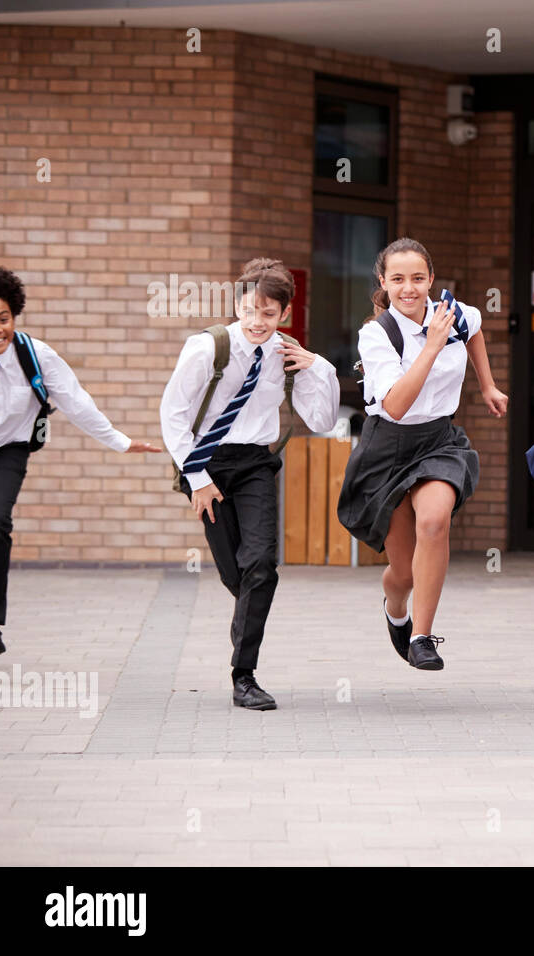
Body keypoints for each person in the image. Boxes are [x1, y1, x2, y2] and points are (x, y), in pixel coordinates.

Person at [161, 258, 339, 709]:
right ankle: (250, 614)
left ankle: (244, 676)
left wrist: (318, 368)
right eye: (248, 310)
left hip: (256, 464)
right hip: (207, 463)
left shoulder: (288, 355)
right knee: (236, 575)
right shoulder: (207, 349)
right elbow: (174, 416)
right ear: (236, 305)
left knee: (261, 564)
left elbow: (320, 419)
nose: (257, 322)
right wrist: (197, 480)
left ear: (284, 313)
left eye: (268, 313)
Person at [337, 238, 507, 672]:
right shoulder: (377, 335)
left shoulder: (456, 313)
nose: (408, 288)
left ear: (431, 279)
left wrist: (486, 384)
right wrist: (431, 346)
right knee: (404, 572)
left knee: (435, 520)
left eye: (417, 278)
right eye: (397, 279)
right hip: (388, 447)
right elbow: (394, 405)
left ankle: (423, 636)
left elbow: (474, 334)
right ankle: (396, 608)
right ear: (383, 282)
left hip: (438, 440)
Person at [0, 267, 161, 656]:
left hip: (9, 449)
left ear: (14, 316)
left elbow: (76, 401)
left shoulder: (34, 356)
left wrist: (119, 442)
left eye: (3, 319)